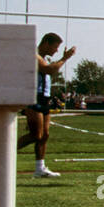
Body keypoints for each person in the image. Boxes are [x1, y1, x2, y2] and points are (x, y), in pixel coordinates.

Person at [17, 32, 76, 178]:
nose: (56, 51)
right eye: (55, 47)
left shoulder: (44, 59)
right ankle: (4, 152)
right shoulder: (34, 56)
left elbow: (50, 69)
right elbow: (49, 69)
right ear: (46, 44)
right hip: (34, 98)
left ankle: (40, 168)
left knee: (44, 135)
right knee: (35, 135)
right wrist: (65, 58)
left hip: (44, 99)